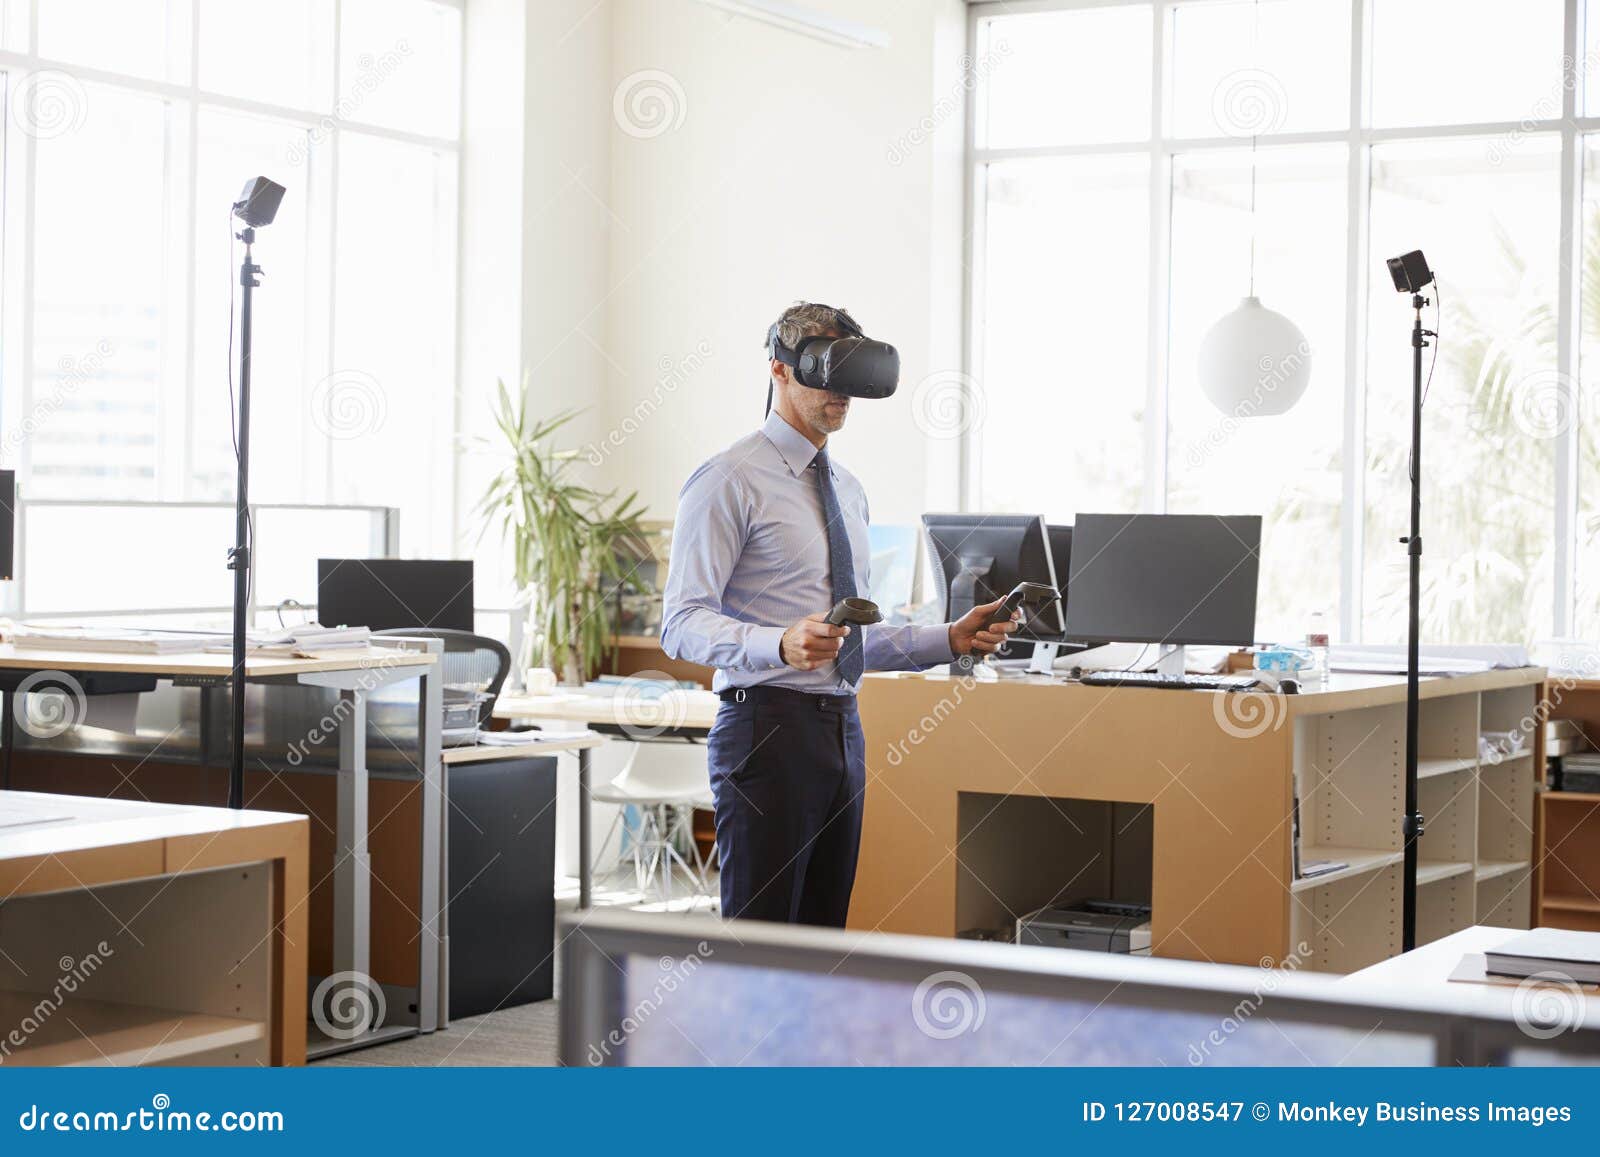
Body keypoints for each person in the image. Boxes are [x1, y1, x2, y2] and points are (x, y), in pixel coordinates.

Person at [661, 301, 1017, 926]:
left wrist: (951, 639)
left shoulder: (848, 489)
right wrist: (779, 644)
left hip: (842, 729)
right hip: (765, 731)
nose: (841, 393)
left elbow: (852, 643)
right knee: (762, 943)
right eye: (826, 370)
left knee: (822, 940)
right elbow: (681, 622)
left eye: (852, 373)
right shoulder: (728, 479)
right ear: (779, 368)